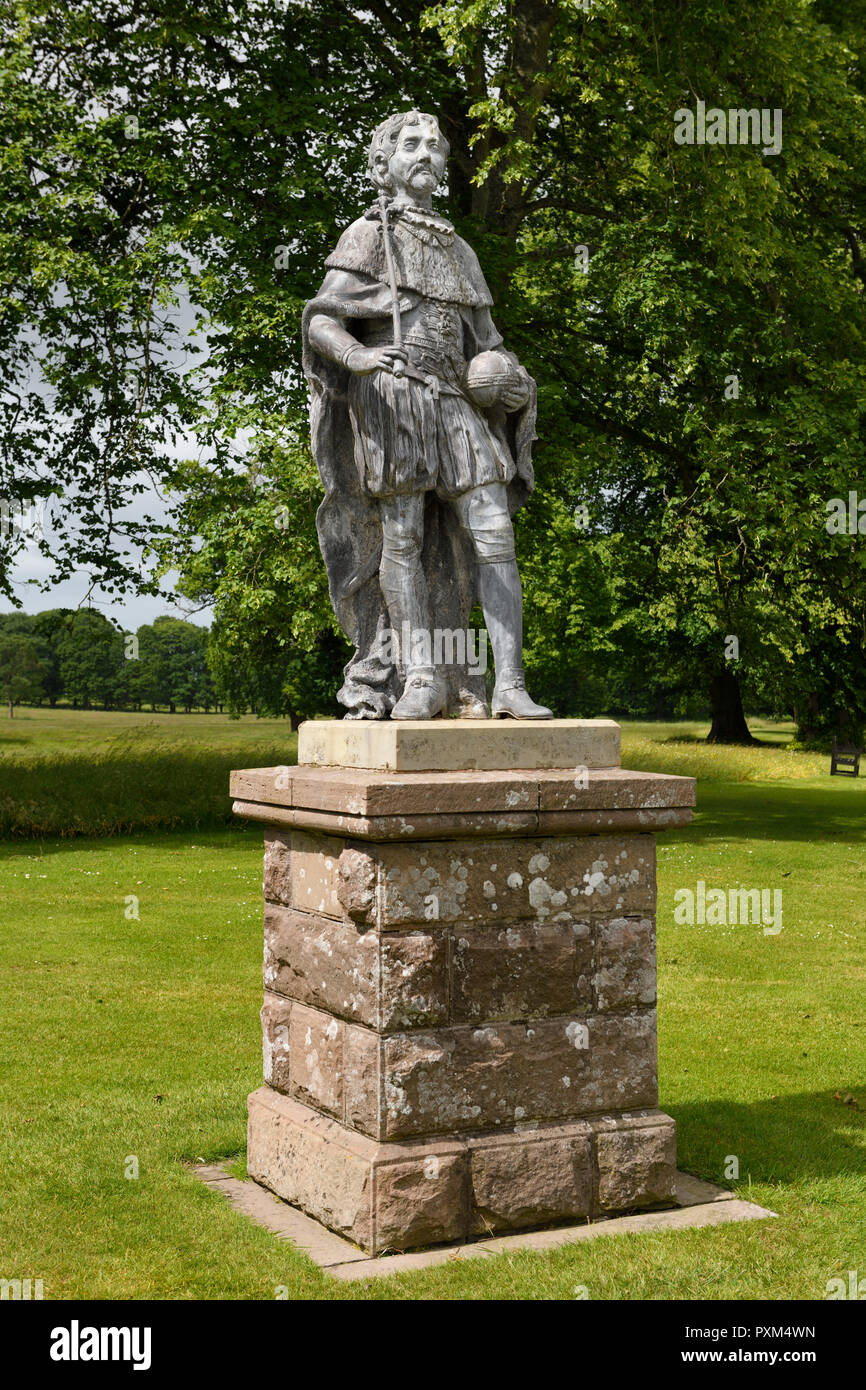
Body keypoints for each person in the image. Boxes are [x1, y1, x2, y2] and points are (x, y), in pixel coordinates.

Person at [303, 109, 552, 720]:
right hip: (393, 398)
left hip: (456, 401)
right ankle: (419, 677)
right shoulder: (367, 235)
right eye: (411, 145)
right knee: (404, 535)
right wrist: (358, 356)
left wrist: (511, 380)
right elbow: (321, 319)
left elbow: (487, 341)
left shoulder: (460, 249)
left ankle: (510, 684)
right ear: (384, 163)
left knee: (494, 528)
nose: (426, 155)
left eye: (435, 148)